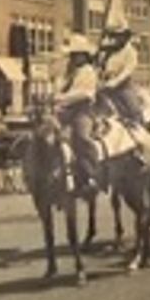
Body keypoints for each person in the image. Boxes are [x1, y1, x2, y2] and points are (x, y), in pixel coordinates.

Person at [54, 34, 101, 197]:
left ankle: (91, 174)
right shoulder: (69, 73)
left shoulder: (89, 72)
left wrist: (62, 98)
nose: (74, 58)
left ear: (84, 56)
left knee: (82, 137)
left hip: (82, 111)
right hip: (64, 111)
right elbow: (59, 88)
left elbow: (86, 93)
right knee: (48, 134)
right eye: (72, 55)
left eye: (77, 55)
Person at [98, 23, 144, 125]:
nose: (117, 38)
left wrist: (114, 82)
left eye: (120, 36)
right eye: (114, 36)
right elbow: (101, 66)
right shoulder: (109, 51)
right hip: (105, 84)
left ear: (125, 36)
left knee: (133, 108)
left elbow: (127, 71)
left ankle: (137, 124)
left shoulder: (130, 52)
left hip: (122, 85)